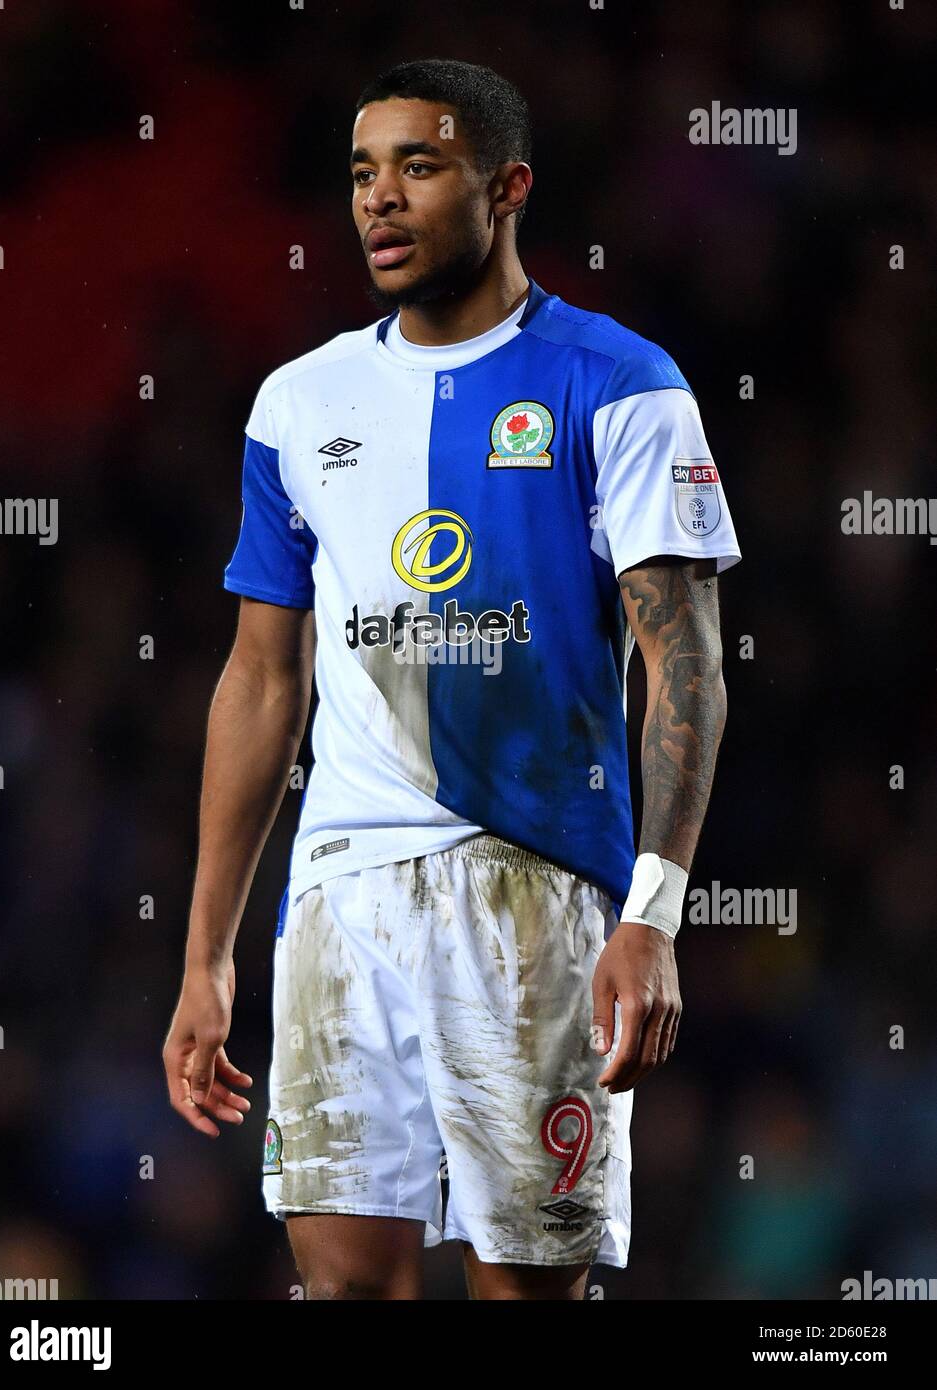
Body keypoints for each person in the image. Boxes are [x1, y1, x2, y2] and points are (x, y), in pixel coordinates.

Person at [163, 57, 741, 1301]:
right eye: (363, 174)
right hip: (337, 897)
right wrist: (206, 952)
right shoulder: (297, 403)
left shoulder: (621, 384)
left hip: (531, 890)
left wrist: (652, 910)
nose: (379, 200)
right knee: (340, 1285)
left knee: (525, 1288)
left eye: (418, 168)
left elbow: (681, 660)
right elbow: (263, 680)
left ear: (507, 187)